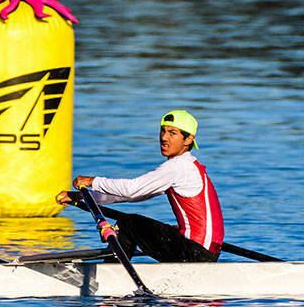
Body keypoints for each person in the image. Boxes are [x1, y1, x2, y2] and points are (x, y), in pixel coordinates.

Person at [57, 109, 223, 262]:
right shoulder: (187, 165)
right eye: (163, 131)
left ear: (188, 139)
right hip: (204, 251)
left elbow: (131, 189)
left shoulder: (178, 166)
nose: (164, 138)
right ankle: (115, 267)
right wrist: (83, 198)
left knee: (127, 223)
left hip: (194, 252)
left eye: (172, 133)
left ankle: (113, 271)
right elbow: (132, 195)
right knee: (134, 223)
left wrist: (93, 181)